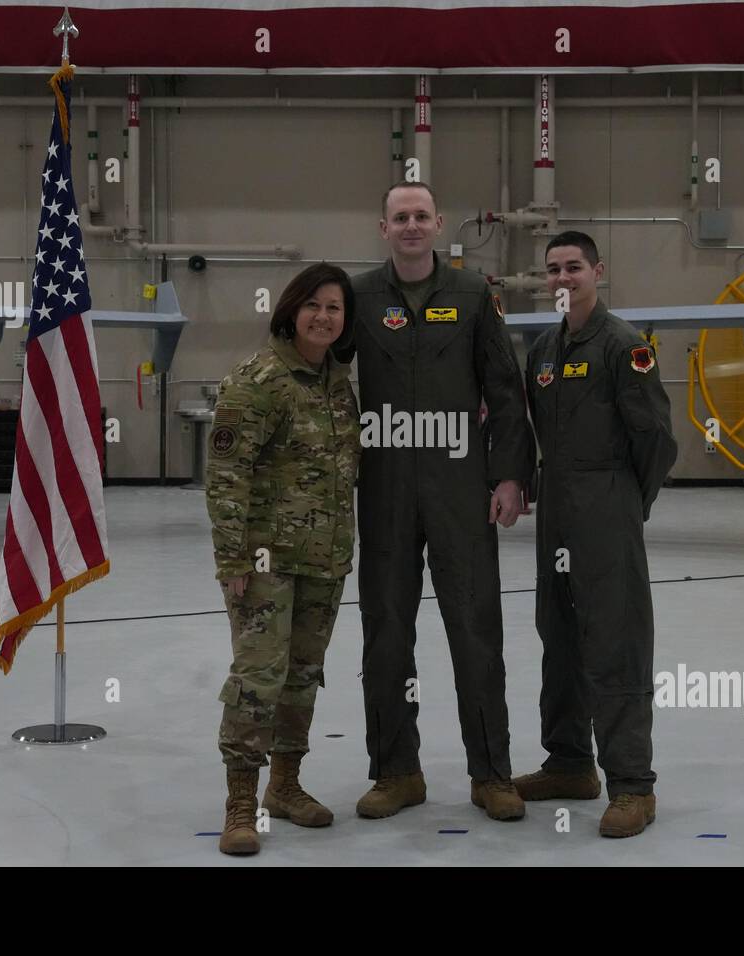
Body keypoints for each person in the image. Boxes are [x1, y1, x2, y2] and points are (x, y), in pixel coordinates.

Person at [340, 181, 535, 821]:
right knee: (386, 633)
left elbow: (505, 391)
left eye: (422, 215)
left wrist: (510, 477)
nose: (412, 226)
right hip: (386, 485)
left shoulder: (475, 295)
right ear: (384, 227)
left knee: (477, 631)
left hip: (460, 484)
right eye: (401, 217)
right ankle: (396, 771)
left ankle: (492, 774)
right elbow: (318, 370)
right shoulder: (357, 296)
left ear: (439, 223)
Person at [515, 231, 678, 838]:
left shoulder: (625, 346)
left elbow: (656, 440)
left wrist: (627, 501)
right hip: (556, 504)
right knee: (557, 632)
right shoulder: (543, 351)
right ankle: (569, 764)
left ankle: (633, 785)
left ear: (597, 272)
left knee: (615, 639)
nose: (563, 278)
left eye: (574, 268)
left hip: (606, 505)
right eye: (553, 269)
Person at [205, 262, 361, 855]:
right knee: (258, 678)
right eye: (314, 305)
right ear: (292, 309)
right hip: (264, 563)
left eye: (335, 309)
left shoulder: (335, 383)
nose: (324, 317)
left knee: (302, 675)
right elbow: (225, 474)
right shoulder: (259, 378)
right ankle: (240, 803)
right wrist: (233, 559)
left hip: (325, 559)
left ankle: (286, 786)